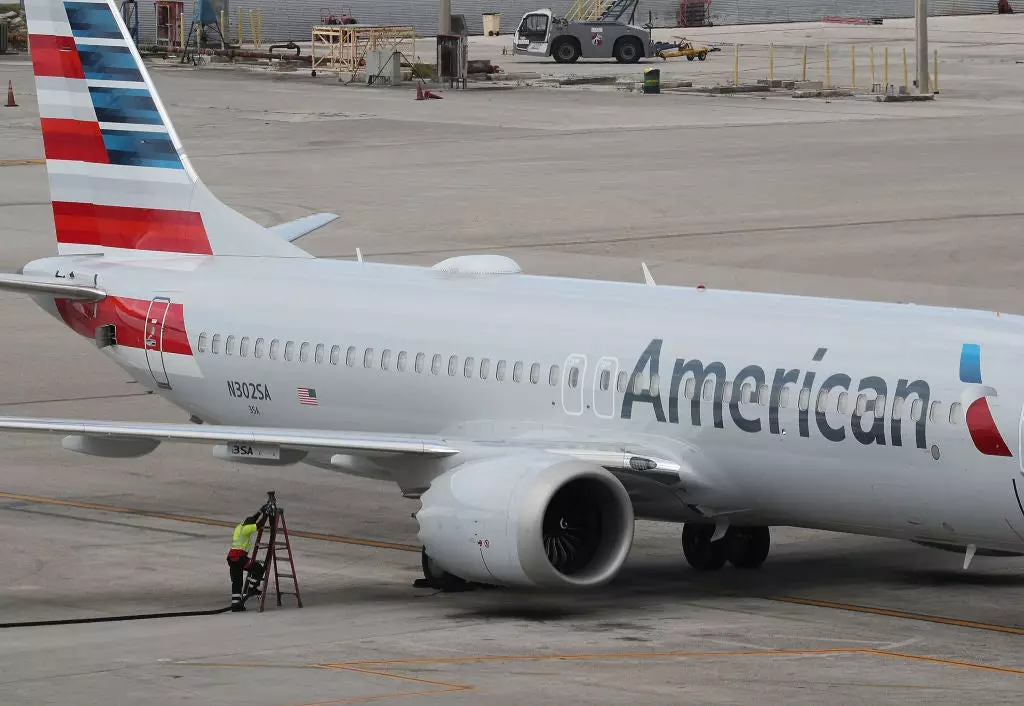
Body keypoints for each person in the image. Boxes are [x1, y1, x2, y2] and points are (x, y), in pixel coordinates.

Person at [227, 510, 266, 611]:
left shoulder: (239, 527)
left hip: (232, 558)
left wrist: (261, 510)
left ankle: (236, 605)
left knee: (237, 582)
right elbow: (259, 525)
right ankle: (252, 589)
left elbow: (252, 519)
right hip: (239, 558)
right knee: (258, 568)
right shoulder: (246, 529)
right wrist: (266, 515)